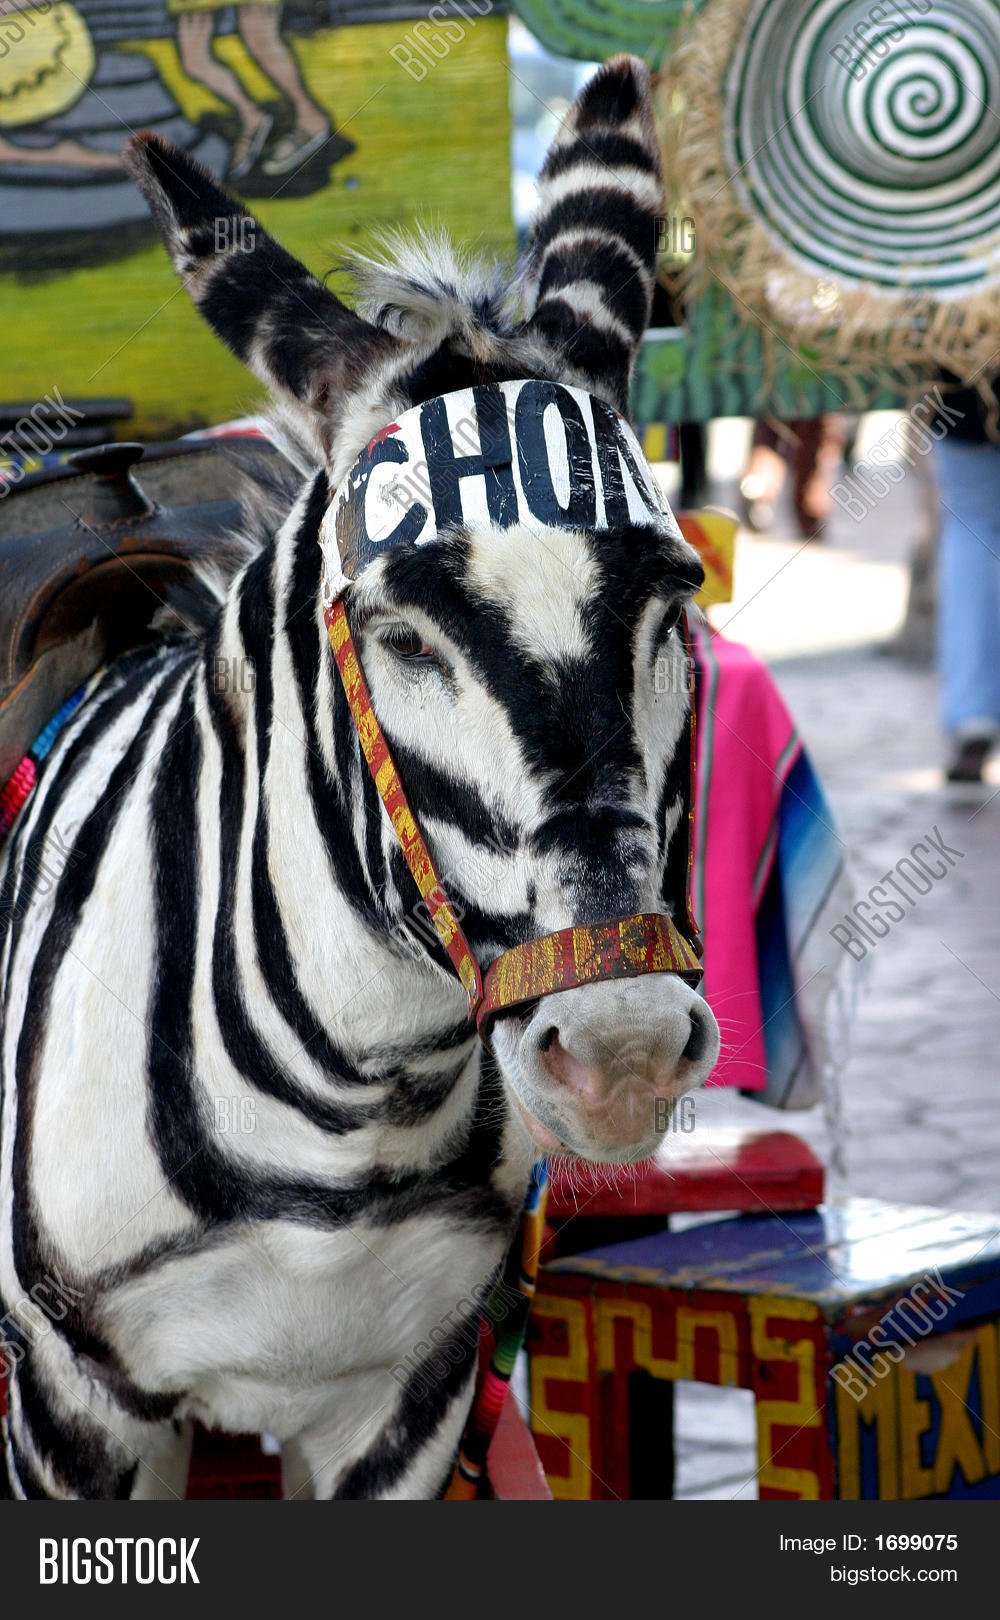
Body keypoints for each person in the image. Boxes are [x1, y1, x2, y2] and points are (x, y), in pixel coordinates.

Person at [932, 380, 1000, 782]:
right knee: (969, 534)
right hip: (961, 405)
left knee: (969, 538)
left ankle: (973, 714)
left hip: (962, 400)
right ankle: (972, 715)